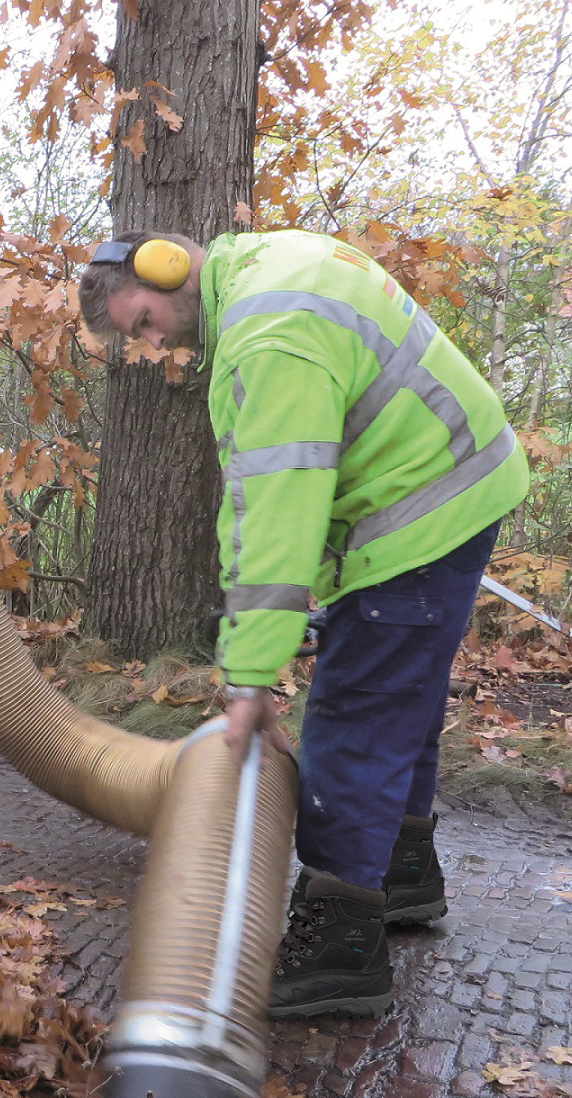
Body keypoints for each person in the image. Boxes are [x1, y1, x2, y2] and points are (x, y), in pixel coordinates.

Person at [77, 228, 528, 1019]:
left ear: (168, 269)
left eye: (143, 320)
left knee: (355, 720)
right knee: (403, 695)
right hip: (457, 483)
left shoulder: (269, 333)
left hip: (420, 509)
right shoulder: (265, 268)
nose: (154, 343)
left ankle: (341, 948)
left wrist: (250, 677)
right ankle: (403, 875)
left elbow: (276, 514)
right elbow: (273, 492)